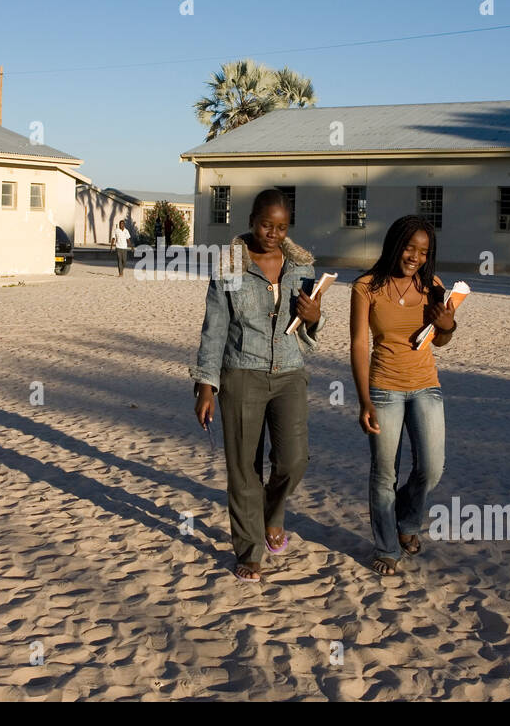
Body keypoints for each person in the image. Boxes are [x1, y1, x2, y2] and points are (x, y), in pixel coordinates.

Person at [191, 189, 324, 582]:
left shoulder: (301, 267)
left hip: (289, 373)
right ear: (251, 220)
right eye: (267, 225)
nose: (273, 233)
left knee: (293, 459)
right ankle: (249, 550)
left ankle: (273, 513)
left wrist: (315, 316)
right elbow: (214, 328)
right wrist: (206, 385)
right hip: (241, 373)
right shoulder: (230, 264)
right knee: (244, 468)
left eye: (282, 227)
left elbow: (310, 326)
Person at [350, 215, 458, 576]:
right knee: (384, 474)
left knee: (431, 468)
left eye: (424, 251)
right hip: (383, 388)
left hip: (426, 384)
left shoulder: (434, 286)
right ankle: (386, 546)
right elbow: (358, 343)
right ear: (395, 244)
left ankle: (408, 522)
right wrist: (364, 399)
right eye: (410, 247)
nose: (415, 256)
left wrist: (448, 326)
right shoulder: (366, 286)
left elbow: (440, 339)